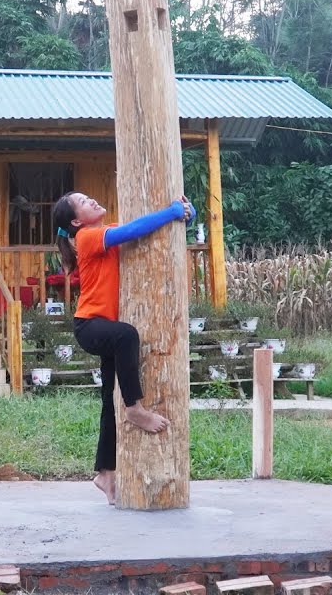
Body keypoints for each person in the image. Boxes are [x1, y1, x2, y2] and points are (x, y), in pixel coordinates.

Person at [52, 191, 194, 505]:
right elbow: (131, 231)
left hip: (100, 327)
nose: (91, 200)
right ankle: (135, 408)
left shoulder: (100, 232)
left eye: (89, 196)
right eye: (83, 202)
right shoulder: (88, 236)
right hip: (90, 325)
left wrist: (186, 213)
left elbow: (140, 225)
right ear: (76, 222)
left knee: (108, 399)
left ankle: (105, 473)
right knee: (127, 335)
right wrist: (172, 212)